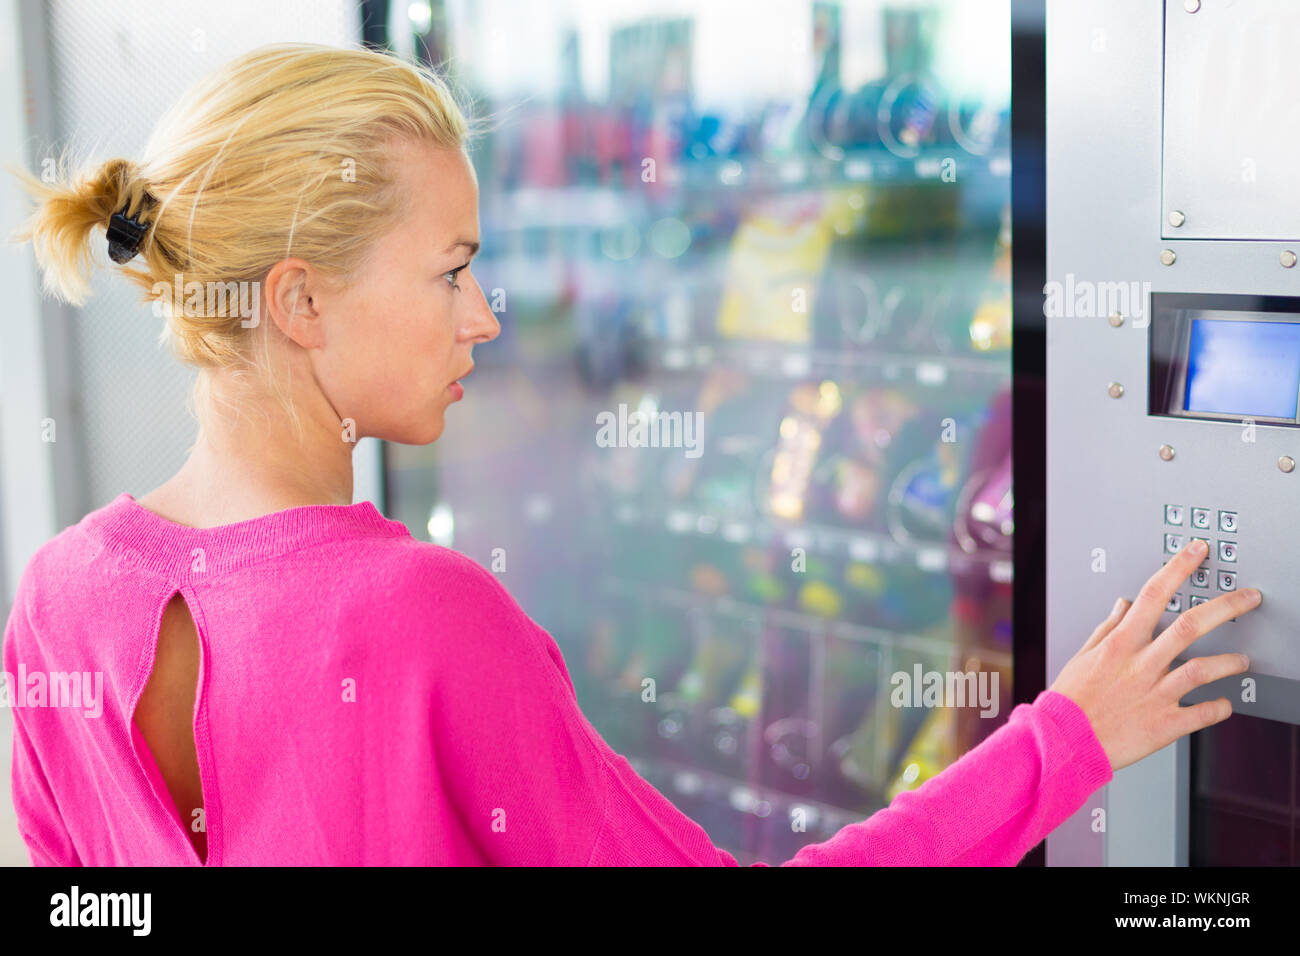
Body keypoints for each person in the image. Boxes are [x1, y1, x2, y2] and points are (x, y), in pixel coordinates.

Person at [2, 43, 1262, 866]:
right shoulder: (416, 615)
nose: (487, 313)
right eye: (451, 268)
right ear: (300, 302)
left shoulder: (60, 593)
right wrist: (1071, 735)